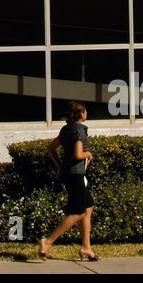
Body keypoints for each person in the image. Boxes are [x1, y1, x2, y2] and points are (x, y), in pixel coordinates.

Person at [38, 101, 98, 261]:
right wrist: (89, 154)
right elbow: (79, 154)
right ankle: (47, 242)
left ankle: (86, 248)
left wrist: (59, 165)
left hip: (68, 174)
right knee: (78, 212)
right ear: (81, 113)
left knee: (88, 207)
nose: (87, 113)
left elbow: (51, 148)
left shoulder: (66, 129)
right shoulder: (80, 130)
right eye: (85, 111)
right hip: (76, 174)